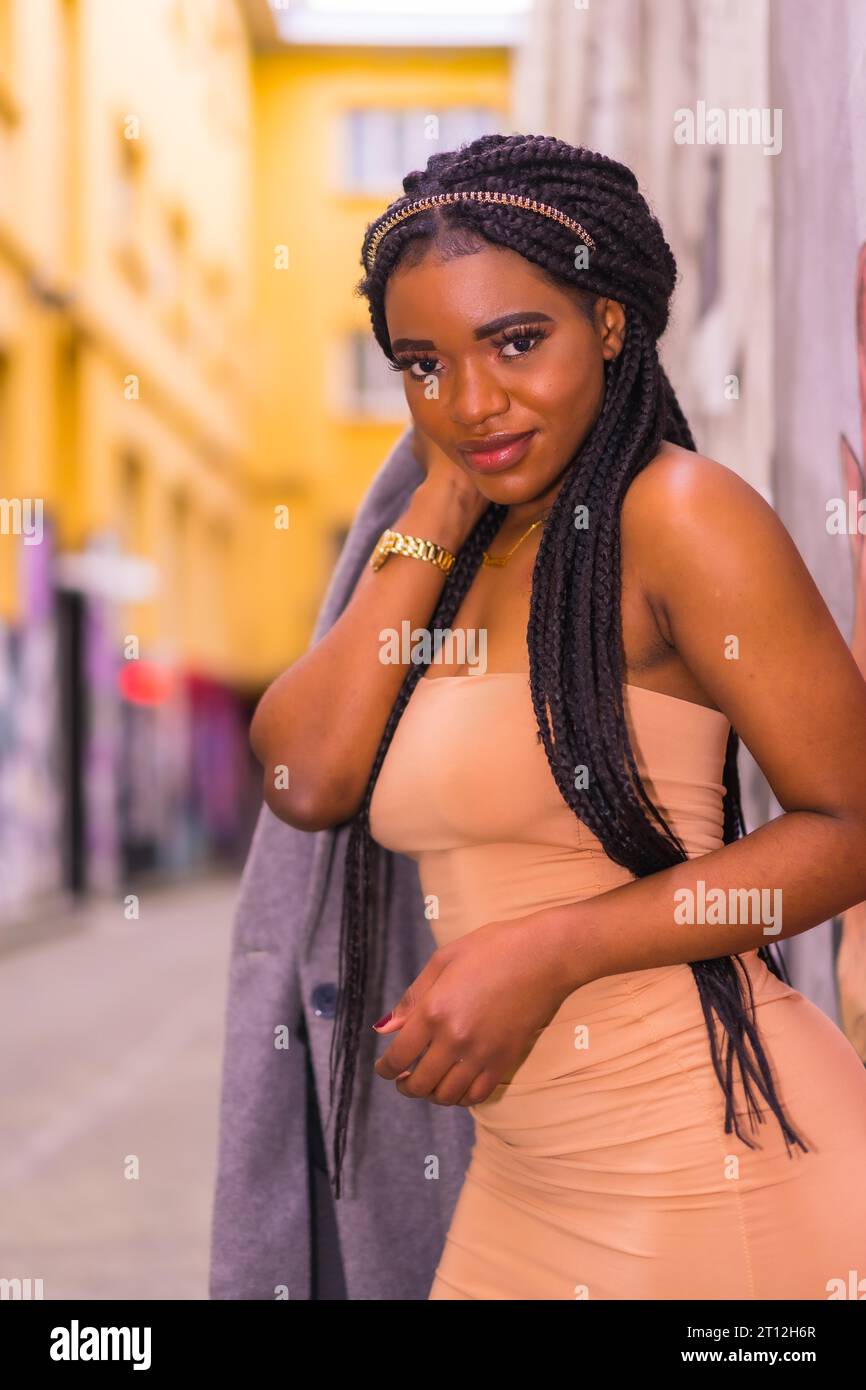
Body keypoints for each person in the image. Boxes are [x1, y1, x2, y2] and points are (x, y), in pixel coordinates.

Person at [249, 133, 866, 1299]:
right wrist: (441, 483)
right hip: (527, 1190)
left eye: (515, 343)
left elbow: (851, 822)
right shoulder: (460, 537)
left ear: (612, 324)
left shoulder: (679, 515)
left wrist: (550, 951)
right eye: (424, 363)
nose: (473, 398)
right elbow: (305, 778)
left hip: (715, 1174)